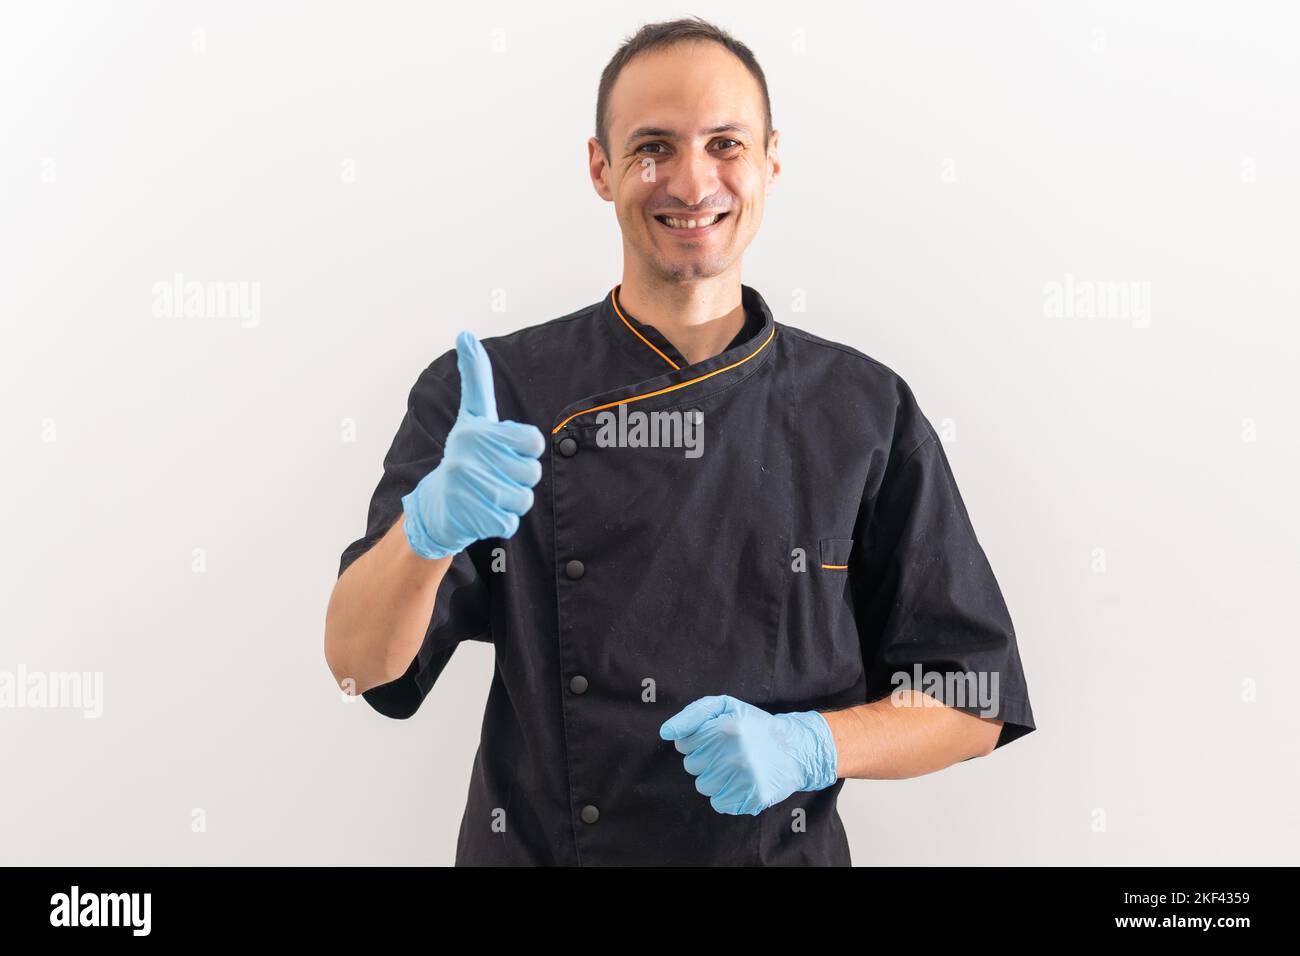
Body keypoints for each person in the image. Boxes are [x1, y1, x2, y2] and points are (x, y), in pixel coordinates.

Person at [324, 16, 1036, 866]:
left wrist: (813, 745)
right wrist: (425, 534)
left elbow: (976, 696)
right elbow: (357, 667)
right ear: (601, 168)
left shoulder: (864, 410)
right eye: (653, 146)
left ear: (772, 159)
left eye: (725, 143)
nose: (692, 182)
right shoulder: (494, 399)